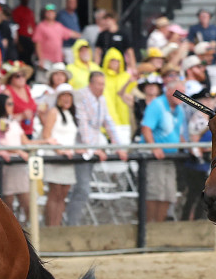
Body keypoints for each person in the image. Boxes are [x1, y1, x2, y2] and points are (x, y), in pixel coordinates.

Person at [66, 71, 127, 225]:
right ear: (91, 84)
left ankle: (72, 223)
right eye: (99, 84)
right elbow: (83, 125)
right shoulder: (81, 96)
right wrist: (92, 148)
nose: (101, 87)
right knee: (81, 189)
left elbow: (108, 123)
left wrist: (118, 146)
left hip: (91, 150)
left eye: (103, 84)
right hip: (79, 149)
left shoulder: (101, 99)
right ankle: (70, 225)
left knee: (81, 190)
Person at [140, 77, 186, 222]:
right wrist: (154, 147)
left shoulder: (179, 109)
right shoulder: (157, 105)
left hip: (170, 157)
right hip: (155, 157)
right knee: (155, 192)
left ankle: (159, 225)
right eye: (178, 92)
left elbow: (178, 133)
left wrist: (190, 147)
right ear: (168, 91)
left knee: (168, 193)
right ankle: (149, 226)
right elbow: (146, 128)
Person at [38, 83, 79, 227]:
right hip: (56, 157)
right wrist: (59, 151)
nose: (67, 99)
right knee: (55, 193)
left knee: (63, 194)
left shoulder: (71, 114)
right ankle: (51, 227)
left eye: (69, 96)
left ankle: (57, 226)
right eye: (63, 96)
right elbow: (47, 135)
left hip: (68, 158)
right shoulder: (54, 112)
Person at [0, 92, 30, 222]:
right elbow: (0, 143)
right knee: (8, 203)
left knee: (27, 202)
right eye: (9, 104)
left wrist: (47, 141)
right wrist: (19, 152)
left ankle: (28, 228)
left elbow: (26, 141)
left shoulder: (14, 122)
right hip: (7, 165)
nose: (12, 107)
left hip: (19, 166)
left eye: (12, 104)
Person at [3, 61, 38, 137]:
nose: (21, 78)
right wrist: (21, 116)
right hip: (15, 132)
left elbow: (34, 108)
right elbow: (5, 117)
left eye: (23, 75)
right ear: (10, 79)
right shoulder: (7, 93)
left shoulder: (27, 88)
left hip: (29, 131)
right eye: (17, 76)